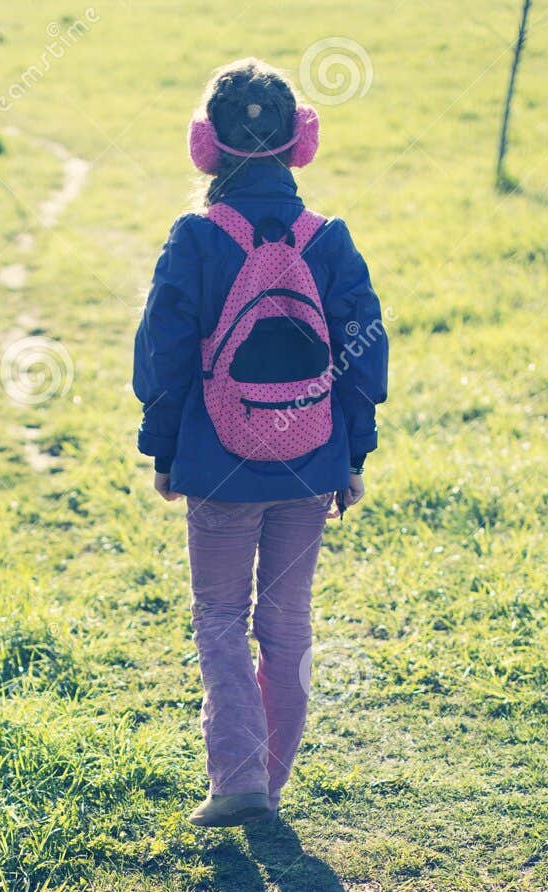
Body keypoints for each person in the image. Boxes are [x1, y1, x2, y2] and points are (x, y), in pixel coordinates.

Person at [133, 58, 388, 826]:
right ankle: (268, 785)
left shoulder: (195, 239)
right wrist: (351, 455)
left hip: (219, 462)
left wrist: (164, 448)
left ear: (204, 146)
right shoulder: (328, 239)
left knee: (218, 617)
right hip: (312, 457)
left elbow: (163, 357)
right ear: (300, 141)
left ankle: (236, 782)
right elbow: (363, 353)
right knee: (286, 622)